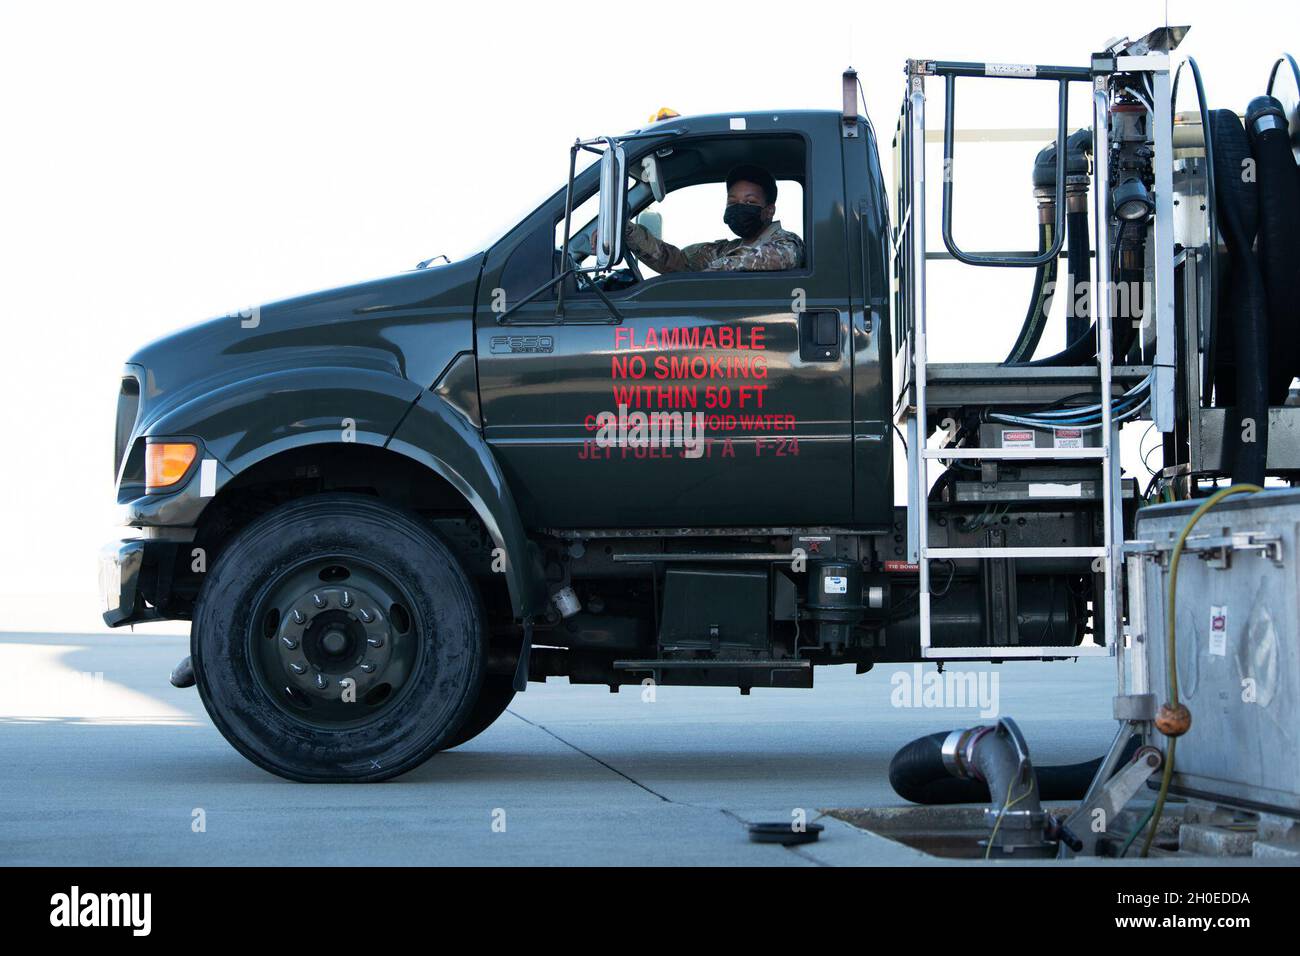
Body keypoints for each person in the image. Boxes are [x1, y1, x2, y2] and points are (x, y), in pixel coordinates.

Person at [623, 164, 804, 273]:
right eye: (732, 202)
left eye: (749, 202)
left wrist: (705, 277)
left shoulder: (787, 244)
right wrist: (625, 231)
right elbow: (675, 261)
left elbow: (762, 259)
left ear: (769, 210)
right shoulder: (725, 250)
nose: (739, 207)